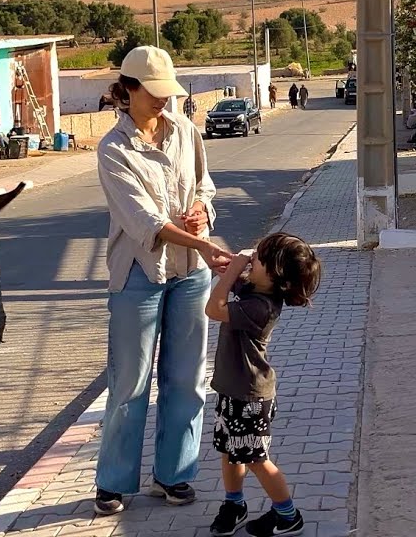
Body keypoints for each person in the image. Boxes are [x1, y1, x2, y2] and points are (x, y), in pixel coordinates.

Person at [94, 45, 234, 516]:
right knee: (130, 383)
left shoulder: (187, 133)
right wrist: (204, 244)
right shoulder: (112, 149)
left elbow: (206, 186)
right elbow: (144, 221)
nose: (161, 100)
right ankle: (113, 482)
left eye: (165, 92)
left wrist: (204, 211)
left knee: (187, 380)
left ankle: (175, 476)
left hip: (189, 275)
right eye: (151, 92)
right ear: (127, 89)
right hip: (138, 274)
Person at [206, 234, 322, 537]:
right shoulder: (256, 289)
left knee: (256, 459)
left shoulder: (262, 307)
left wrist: (233, 272)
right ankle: (235, 504)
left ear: (274, 275)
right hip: (232, 391)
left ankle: (288, 515)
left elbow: (214, 308)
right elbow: (231, 279)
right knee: (231, 451)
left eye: (258, 257)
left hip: (250, 398)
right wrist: (226, 264)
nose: (250, 258)